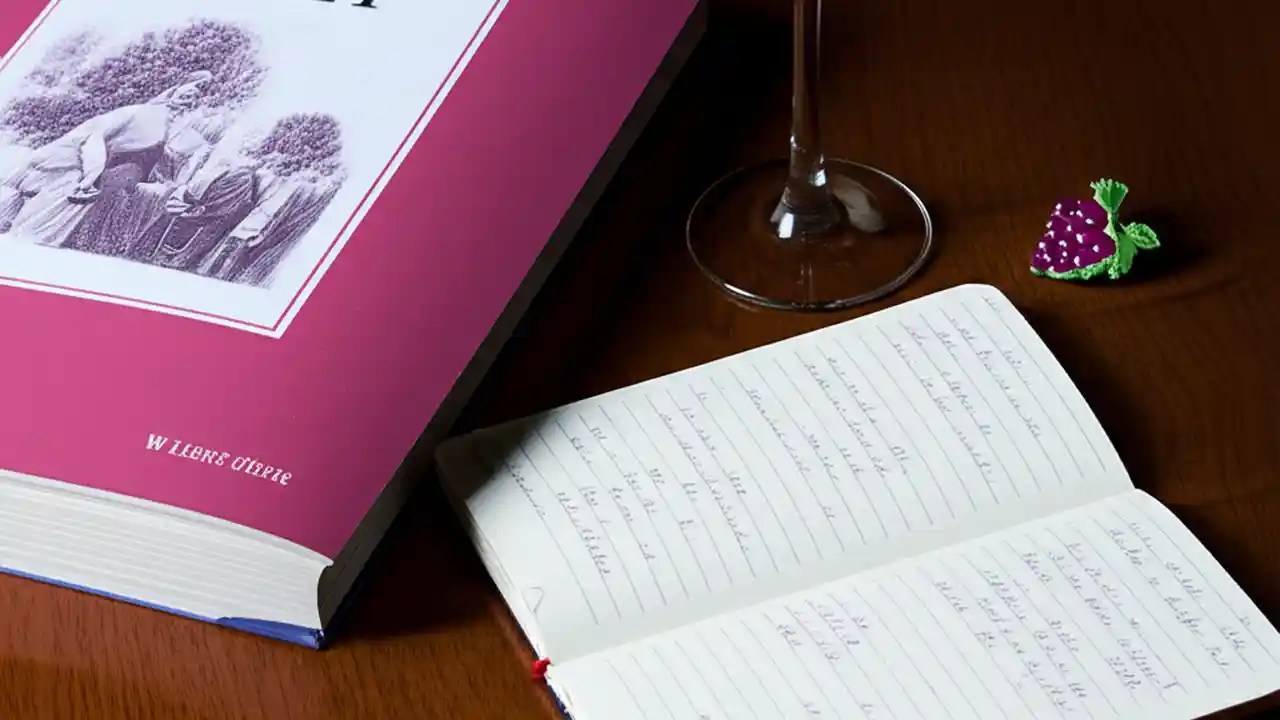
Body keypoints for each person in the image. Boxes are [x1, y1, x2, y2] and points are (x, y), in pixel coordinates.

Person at [0, 70, 213, 246]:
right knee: (37, 225)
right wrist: (90, 175)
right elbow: (94, 137)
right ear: (177, 89)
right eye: (191, 90)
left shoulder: (167, 129)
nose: (191, 97)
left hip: (96, 179)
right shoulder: (139, 114)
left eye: (197, 95)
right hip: (72, 169)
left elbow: (158, 161)